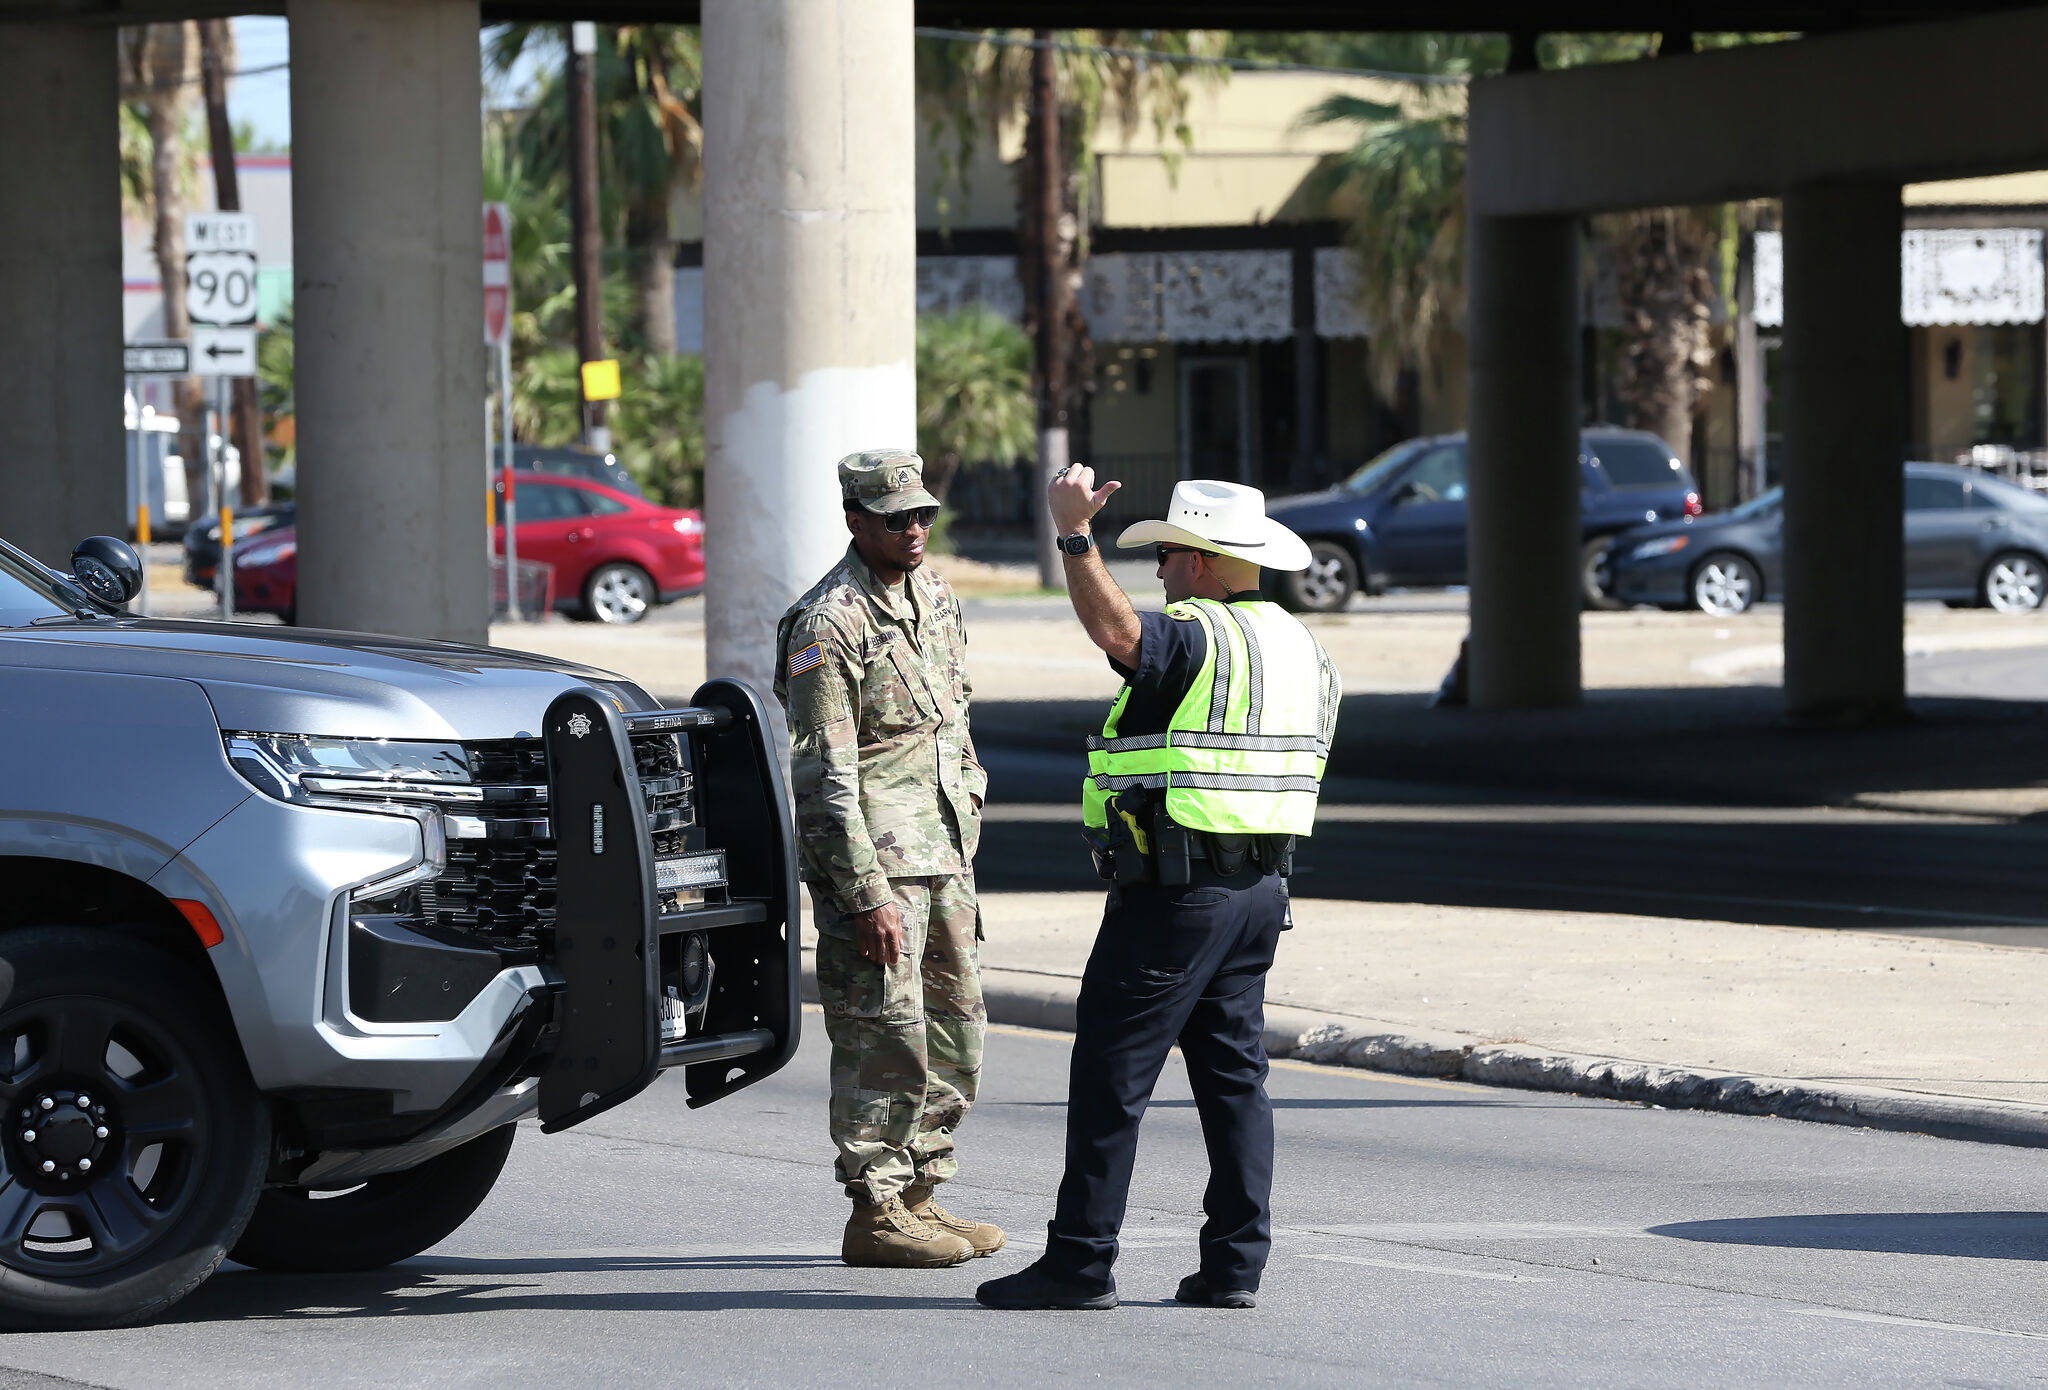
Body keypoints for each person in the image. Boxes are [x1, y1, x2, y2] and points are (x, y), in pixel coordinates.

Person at [976, 470, 1339, 1312]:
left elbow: (1117, 630)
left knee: (1112, 1075)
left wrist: (1073, 535)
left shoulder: (1197, 633)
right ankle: (1234, 1267)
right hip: (1259, 893)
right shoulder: (1302, 648)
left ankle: (1078, 1262)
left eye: (1170, 555)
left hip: (1176, 897)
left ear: (1203, 562)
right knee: (1235, 1081)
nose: (1162, 571)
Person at [774, 447, 1002, 1270]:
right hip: (876, 869)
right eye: (895, 517)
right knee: (884, 1034)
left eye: (922, 515)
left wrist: (968, 810)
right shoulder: (828, 623)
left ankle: (921, 1194)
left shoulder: (935, 596)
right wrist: (864, 891)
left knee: (955, 1031)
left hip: (942, 853)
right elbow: (824, 775)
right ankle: (875, 1211)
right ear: (854, 521)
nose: (913, 530)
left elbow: (955, 719)